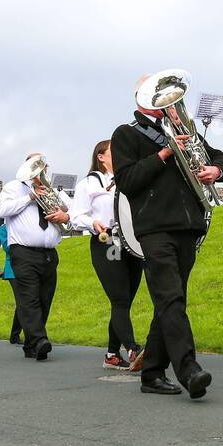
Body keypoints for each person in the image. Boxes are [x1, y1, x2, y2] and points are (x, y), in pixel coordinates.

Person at [111, 73, 223, 399]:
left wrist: (214, 171)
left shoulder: (182, 130)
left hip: (188, 226)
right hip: (154, 228)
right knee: (172, 299)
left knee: (170, 300)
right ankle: (189, 370)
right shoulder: (126, 134)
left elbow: (221, 159)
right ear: (141, 98)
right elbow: (127, 180)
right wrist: (165, 154)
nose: (167, 102)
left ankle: (151, 374)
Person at [69, 140, 144, 370]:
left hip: (132, 242)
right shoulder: (89, 184)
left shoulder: (127, 177)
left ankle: (112, 355)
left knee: (125, 301)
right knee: (119, 298)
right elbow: (75, 216)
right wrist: (93, 222)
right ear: (101, 156)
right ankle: (133, 350)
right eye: (114, 150)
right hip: (108, 242)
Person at [0, 153, 70, 361]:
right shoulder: (13, 187)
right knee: (29, 298)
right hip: (23, 252)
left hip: (48, 253)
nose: (41, 171)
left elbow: (71, 209)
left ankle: (31, 344)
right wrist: (30, 197)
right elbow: (3, 210)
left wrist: (64, 214)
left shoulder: (53, 189)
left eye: (43, 166)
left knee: (44, 299)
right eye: (36, 166)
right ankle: (39, 339)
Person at [0, 222, 20, 345]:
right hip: (13, 269)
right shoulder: (4, 228)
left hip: (27, 268)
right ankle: (15, 335)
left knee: (27, 302)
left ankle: (17, 334)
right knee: (22, 302)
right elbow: (7, 247)